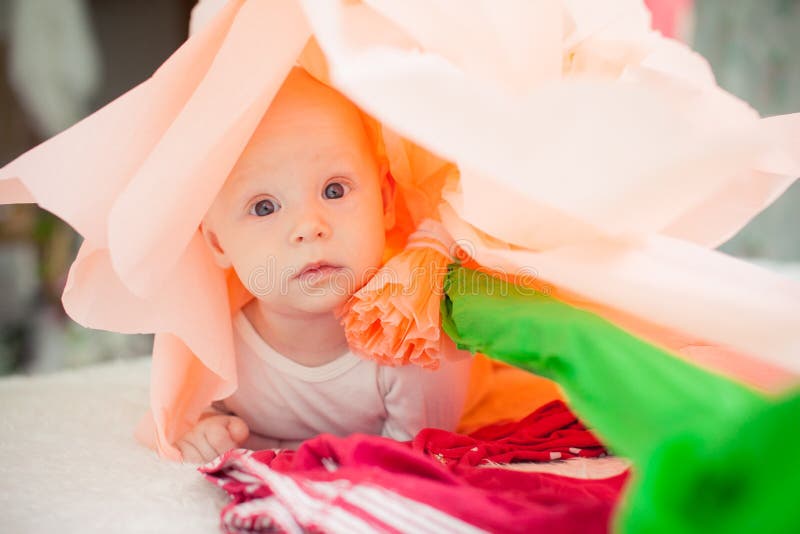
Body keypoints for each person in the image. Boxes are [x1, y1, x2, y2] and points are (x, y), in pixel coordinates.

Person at [173, 67, 472, 463]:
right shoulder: (215, 348)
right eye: (264, 207)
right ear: (215, 241)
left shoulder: (410, 338)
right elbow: (178, 415)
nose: (309, 227)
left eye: (334, 190)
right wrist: (207, 426)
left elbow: (417, 461)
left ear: (384, 201)